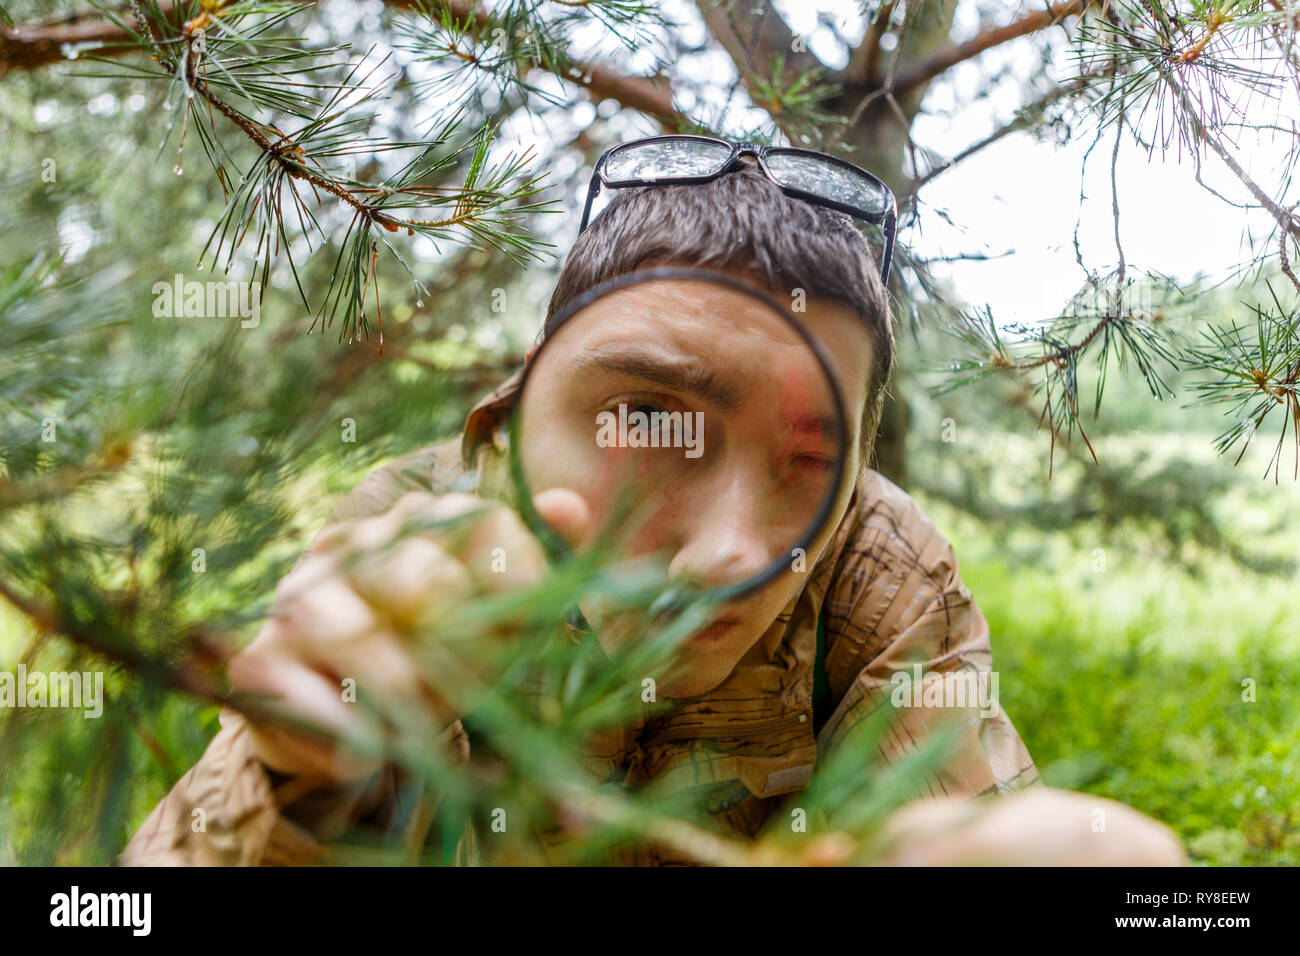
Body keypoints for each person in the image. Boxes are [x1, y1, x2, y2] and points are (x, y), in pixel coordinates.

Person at [121, 146, 1183, 866]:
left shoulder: (880, 567)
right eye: (649, 421)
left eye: (810, 459)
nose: (731, 553)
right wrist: (292, 792)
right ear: (527, 396)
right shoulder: (427, 529)